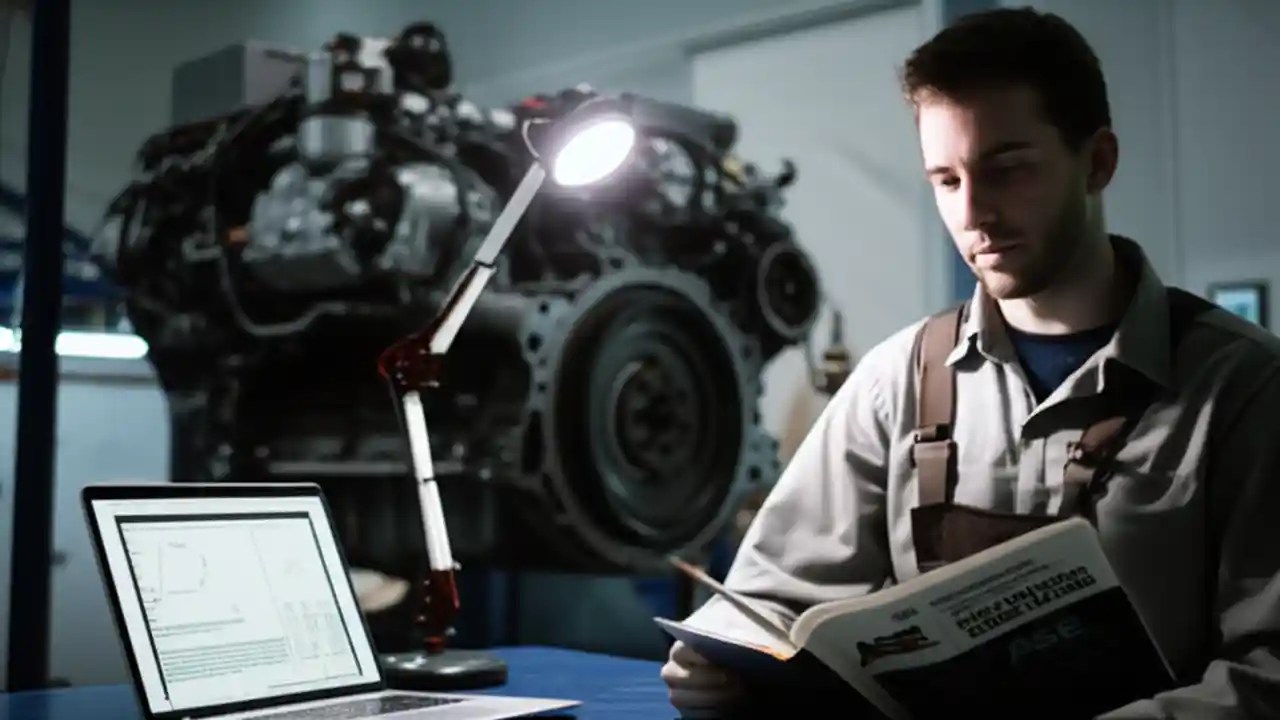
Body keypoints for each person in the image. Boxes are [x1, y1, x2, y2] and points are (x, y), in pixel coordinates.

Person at [661, 6, 1280, 718]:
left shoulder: (1245, 388)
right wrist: (720, 660)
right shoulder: (897, 382)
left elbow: (1269, 671)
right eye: (946, 180)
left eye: (1006, 170)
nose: (974, 213)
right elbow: (769, 597)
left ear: (1098, 162)